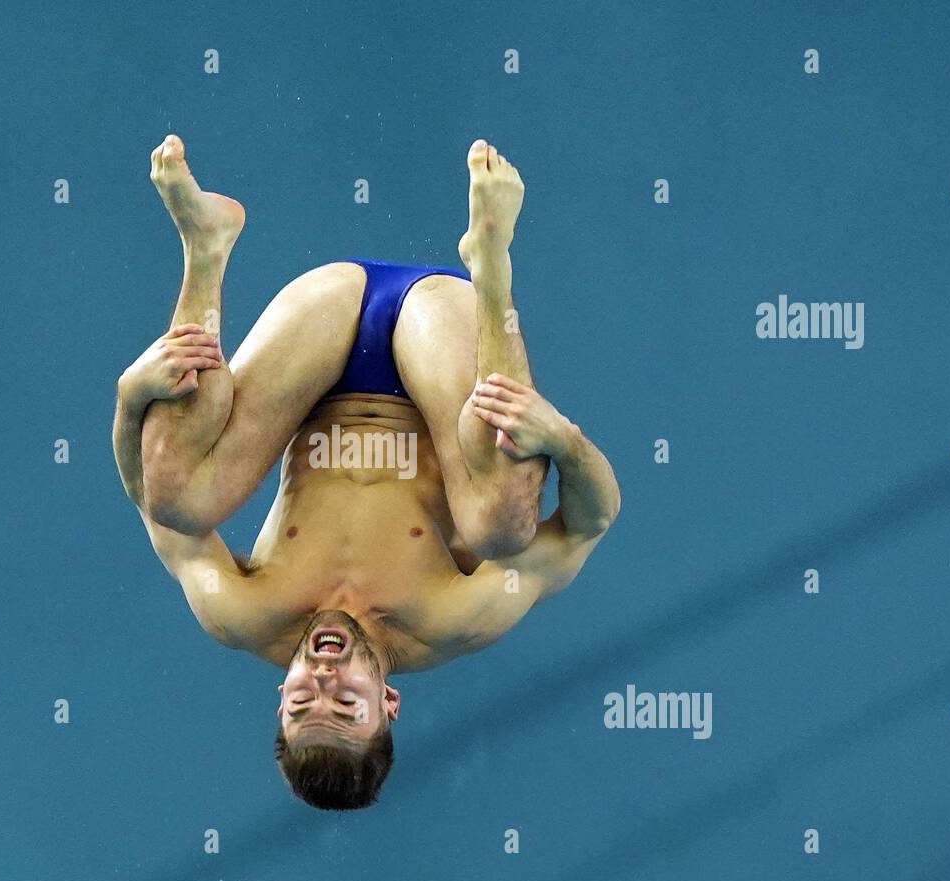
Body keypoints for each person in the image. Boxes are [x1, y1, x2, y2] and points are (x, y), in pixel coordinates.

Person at [113, 135, 621, 810]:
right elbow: (588, 523)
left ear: (280, 696)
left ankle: (205, 245)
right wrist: (564, 439)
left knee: (178, 499)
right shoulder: (456, 620)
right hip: (439, 332)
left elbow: (149, 500)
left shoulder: (242, 615)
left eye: (303, 703)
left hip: (321, 329)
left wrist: (130, 396)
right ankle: (492, 263)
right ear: (388, 702)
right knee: (502, 528)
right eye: (347, 704)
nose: (323, 681)